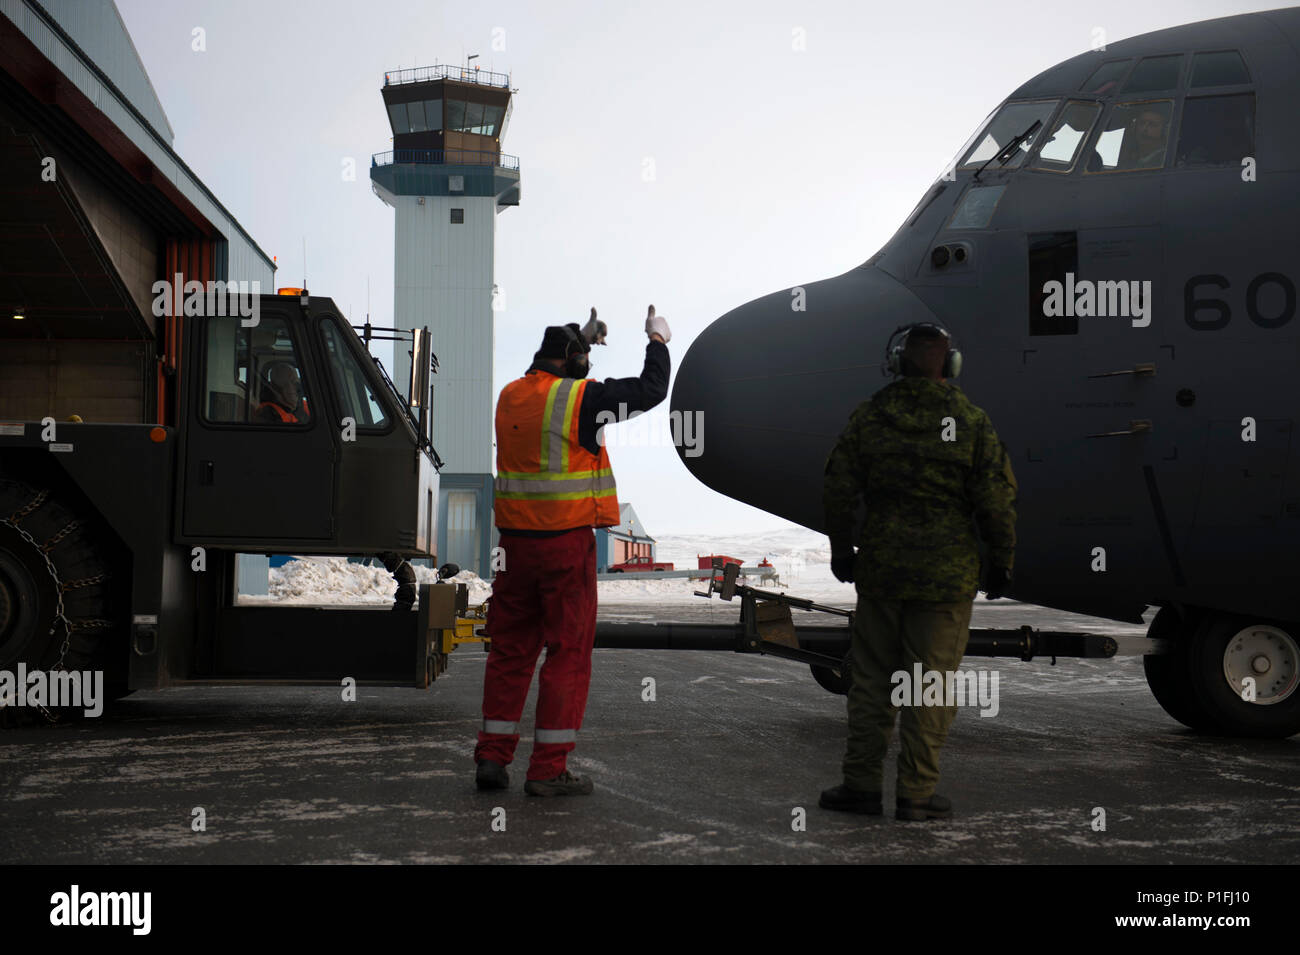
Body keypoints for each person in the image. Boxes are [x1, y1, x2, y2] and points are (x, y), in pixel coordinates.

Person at [819, 322, 1016, 821]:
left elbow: (838, 489)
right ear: (950, 366)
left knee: (871, 685)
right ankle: (916, 795)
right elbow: (995, 499)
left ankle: (861, 787)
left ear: (896, 362)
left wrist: (843, 552)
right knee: (929, 686)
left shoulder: (871, 416)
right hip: (946, 579)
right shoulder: (969, 420)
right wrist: (1002, 560)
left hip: (883, 571)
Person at [475, 305, 671, 796]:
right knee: (568, 654)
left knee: (510, 652)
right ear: (573, 362)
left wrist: (576, 341)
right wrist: (657, 340)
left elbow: (549, 377)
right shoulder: (580, 400)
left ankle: (492, 759)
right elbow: (649, 391)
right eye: (584, 356)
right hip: (564, 546)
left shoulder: (510, 396)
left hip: (514, 549)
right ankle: (546, 770)